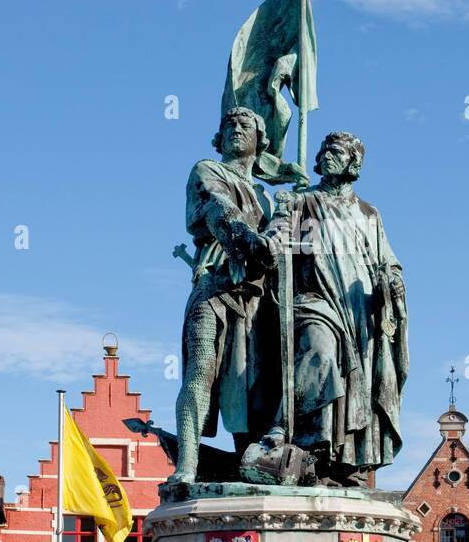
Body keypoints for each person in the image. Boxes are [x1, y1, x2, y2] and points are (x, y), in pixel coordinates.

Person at [265, 132, 407, 485]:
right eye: (325, 149)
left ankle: (342, 463)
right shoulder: (303, 203)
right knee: (320, 350)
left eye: (337, 151)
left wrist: (392, 281)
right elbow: (276, 242)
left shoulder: (369, 214)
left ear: (353, 163)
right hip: (317, 299)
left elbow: (388, 262)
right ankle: (295, 437)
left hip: (360, 309)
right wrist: (279, 223)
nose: (327, 155)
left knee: (364, 382)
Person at [171, 107, 279, 486]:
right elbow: (220, 211)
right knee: (200, 370)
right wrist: (252, 242)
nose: (235, 128)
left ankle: (247, 467)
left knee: (250, 391)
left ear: (260, 140)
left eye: (245, 124)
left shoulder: (270, 200)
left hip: (256, 301)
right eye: (228, 124)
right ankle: (187, 463)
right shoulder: (207, 171)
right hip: (213, 286)